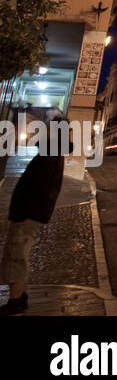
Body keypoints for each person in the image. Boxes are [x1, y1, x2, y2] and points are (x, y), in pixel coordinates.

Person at [1, 111, 66, 315]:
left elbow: (40, 187)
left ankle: (16, 301)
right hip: (31, 211)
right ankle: (20, 295)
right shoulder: (50, 152)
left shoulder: (50, 155)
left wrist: (23, 211)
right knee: (18, 255)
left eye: (46, 128)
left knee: (17, 256)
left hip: (30, 213)